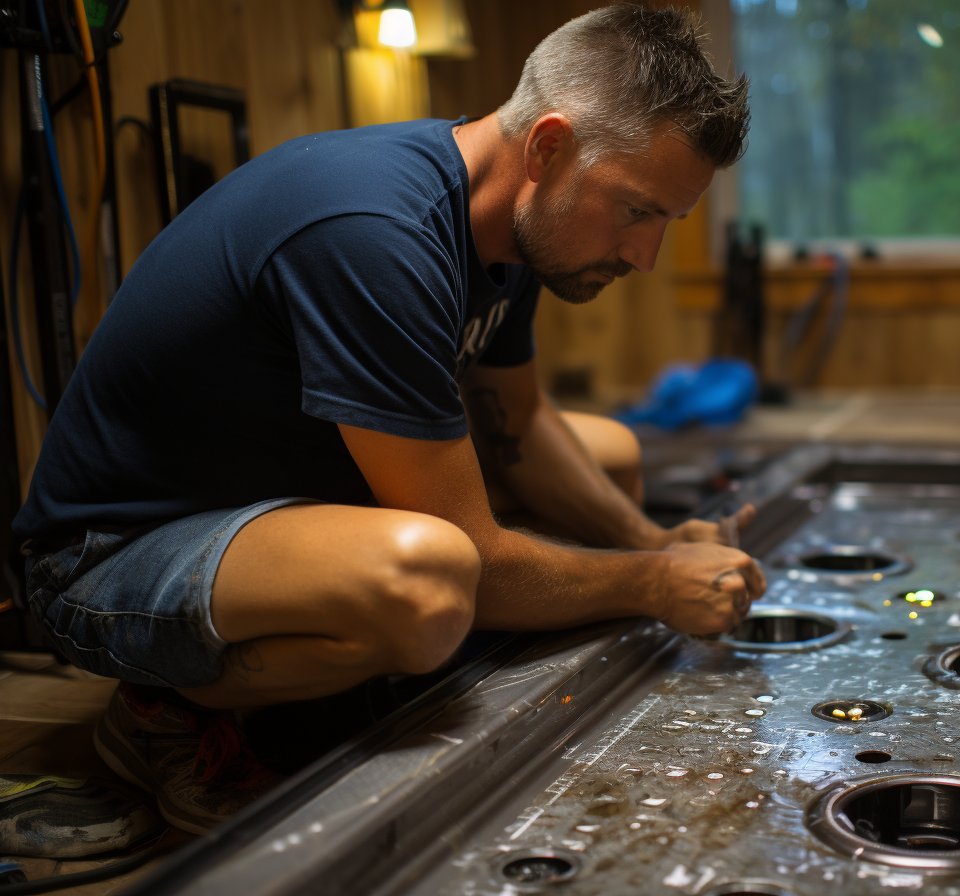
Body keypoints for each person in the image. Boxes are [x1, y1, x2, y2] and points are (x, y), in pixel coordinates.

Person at [10, 3, 760, 835]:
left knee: (608, 453)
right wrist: (651, 586)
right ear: (548, 146)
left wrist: (652, 542)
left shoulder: (508, 230)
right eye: (636, 211)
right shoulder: (378, 231)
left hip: (274, 495)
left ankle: (388, 669)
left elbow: (523, 425)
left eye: (668, 220)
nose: (644, 256)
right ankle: (162, 712)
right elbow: (469, 549)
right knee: (430, 582)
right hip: (112, 555)